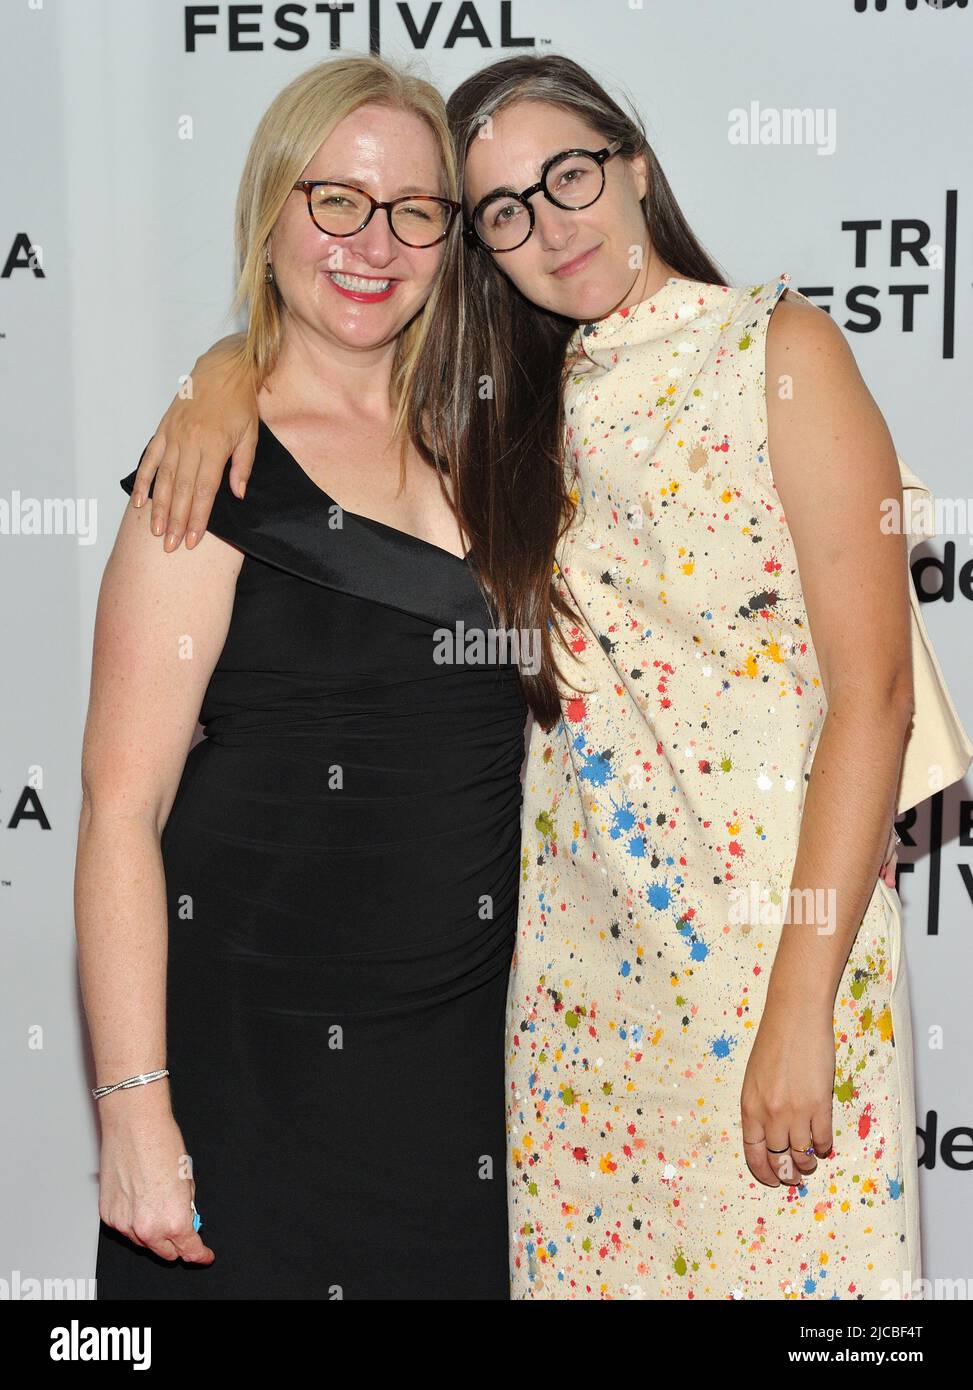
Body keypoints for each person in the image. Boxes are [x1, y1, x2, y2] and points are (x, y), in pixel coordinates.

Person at [127, 56, 971, 1300]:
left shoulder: (777, 350)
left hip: (769, 971)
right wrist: (217, 374)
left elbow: (875, 698)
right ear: (482, 248)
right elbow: (326, 371)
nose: (550, 224)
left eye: (567, 176)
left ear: (633, 167)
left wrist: (801, 1004)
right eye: (504, 211)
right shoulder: (502, 415)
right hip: (571, 1013)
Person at [76, 55, 525, 1301]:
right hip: (250, 1073)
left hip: (467, 1085)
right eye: (335, 199)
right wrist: (131, 1114)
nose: (372, 241)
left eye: (412, 210)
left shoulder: (504, 447)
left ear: (452, 238)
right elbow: (120, 806)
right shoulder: (207, 466)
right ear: (271, 213)